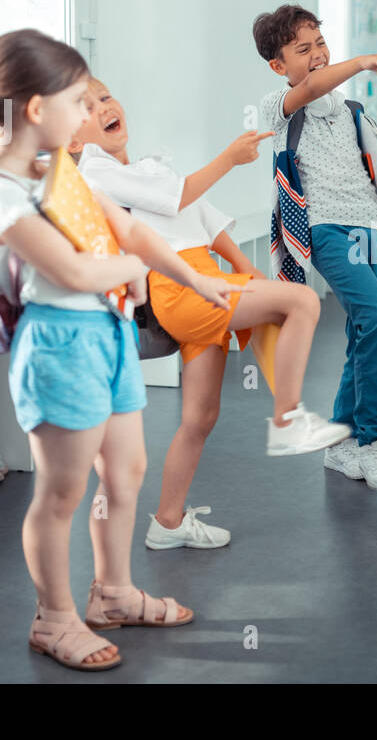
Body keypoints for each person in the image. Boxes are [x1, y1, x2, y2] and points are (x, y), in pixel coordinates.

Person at [0, 29, 248, 669]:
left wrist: (194, 277)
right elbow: (75, 271)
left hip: (108, 334)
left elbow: (129, 231)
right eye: (78, 100)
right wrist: (129, 274)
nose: (89, 111)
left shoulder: (61, 171)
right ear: (37, 109)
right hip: (59, 343)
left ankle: (112, 592)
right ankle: (53, 619)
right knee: (61, 494)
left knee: (125, 472)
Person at [69, 76, 350, 550]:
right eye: (86, 106)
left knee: (200, 417)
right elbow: (180, 196)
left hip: (206, 280)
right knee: (299, 300)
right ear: (72, 139)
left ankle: (168, 523)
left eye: (105, 96)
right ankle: (287, 419)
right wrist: (228, 158)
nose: (104, 106)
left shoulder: (146, 169)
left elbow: (201, 214)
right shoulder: (95, 175)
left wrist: (244, 267)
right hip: (181, 292)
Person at [253, 4, 377, 490]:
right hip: (323, 229)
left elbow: (369, 169)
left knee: (365, 330)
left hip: (373, 228)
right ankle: (376, 441)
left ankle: (342, 444)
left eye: (320, 43)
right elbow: (311, 87)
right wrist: (364, 61)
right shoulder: (276, 107)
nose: (318, 54)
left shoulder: (351, 111)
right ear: (279, 66)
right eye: (303, 49)